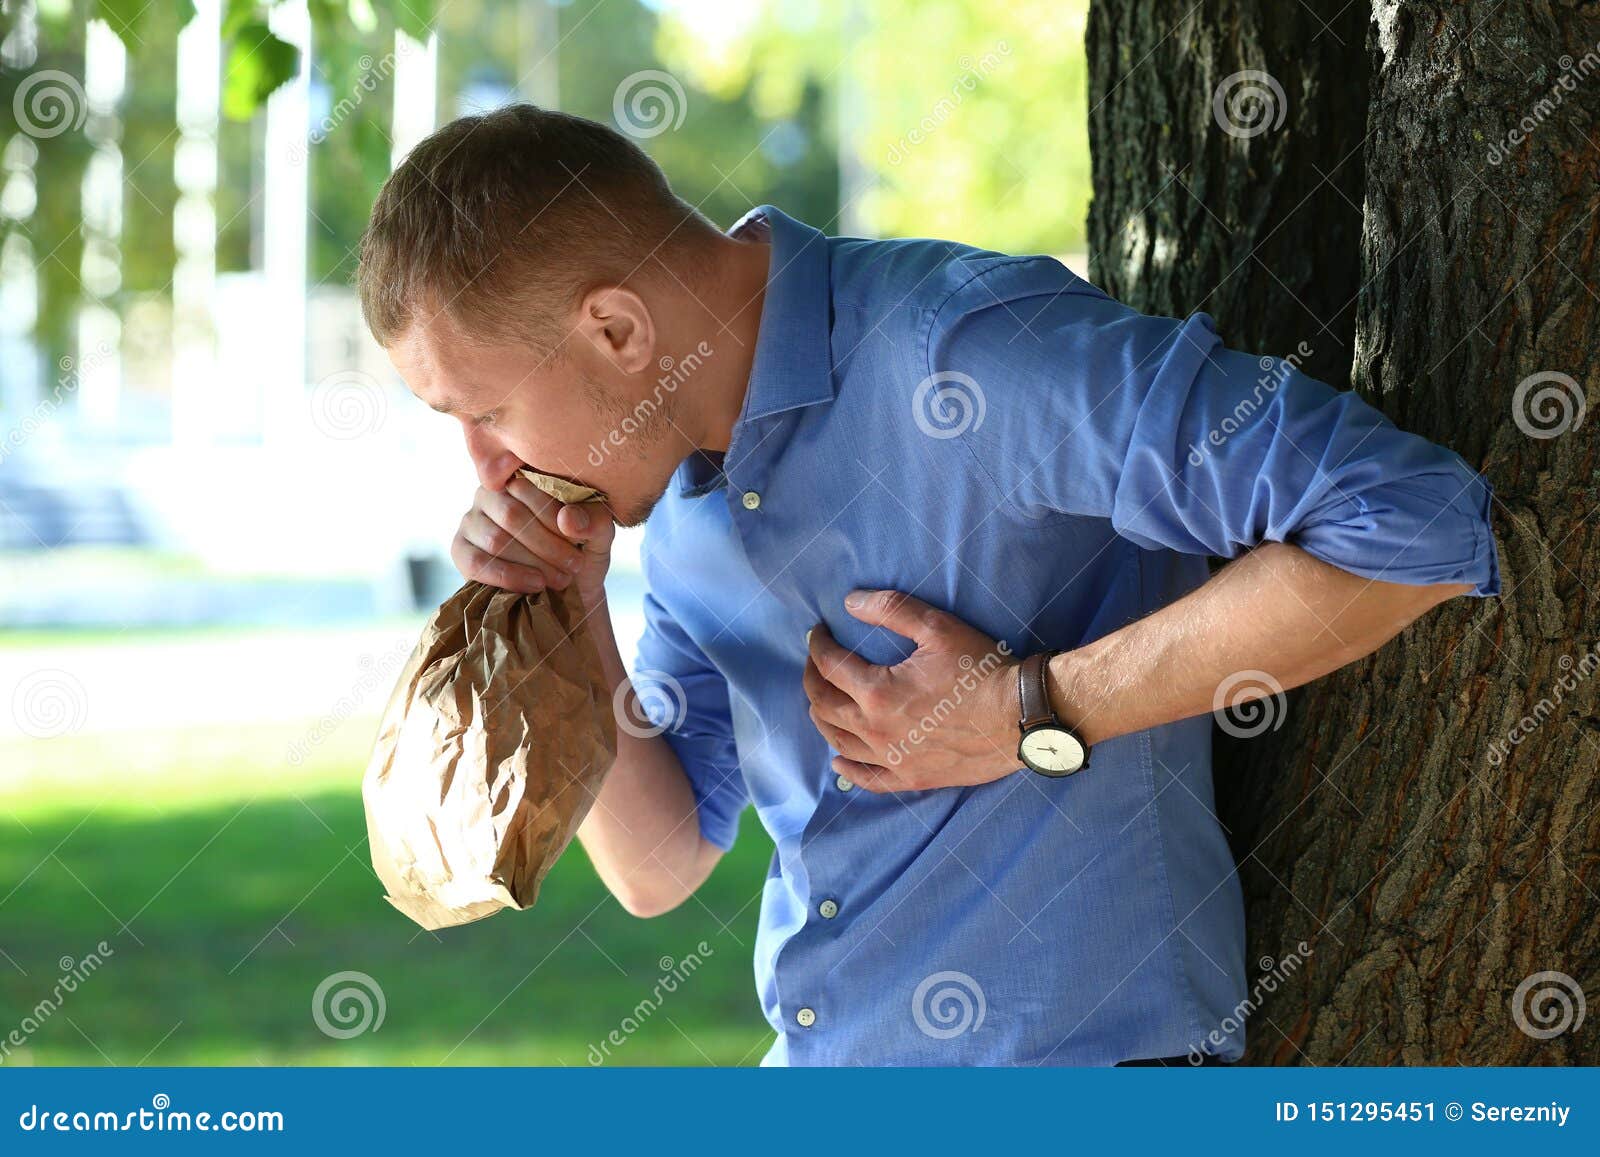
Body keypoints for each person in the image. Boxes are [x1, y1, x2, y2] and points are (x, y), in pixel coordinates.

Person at [356, 104, 1499, 1066]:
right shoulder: (679, 491)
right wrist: (568, 605)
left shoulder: (968, 351)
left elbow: (1411, 519)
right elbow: (661, 863)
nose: (482, 467)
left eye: (484, 412)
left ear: (615, 328)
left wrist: (1034, 710)